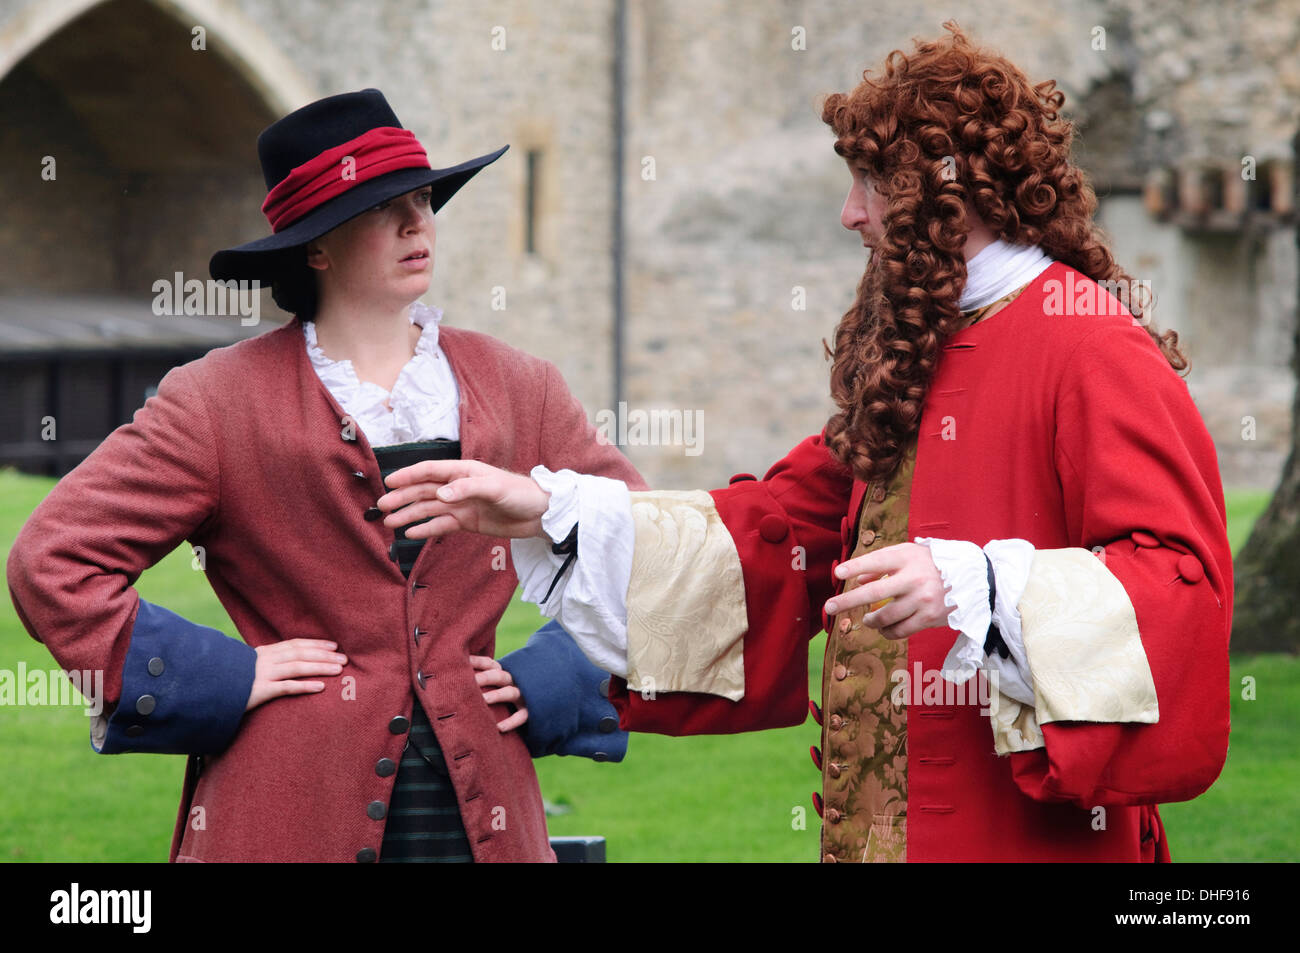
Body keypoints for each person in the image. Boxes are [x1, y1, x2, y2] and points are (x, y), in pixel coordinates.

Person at [373, 24, 1233, 862]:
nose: (849, 212)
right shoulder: (923, 347)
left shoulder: (1090, 345)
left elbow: (1181, 586)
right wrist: (552, 510)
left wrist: (983, 584)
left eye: (871, 181)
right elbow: (773, 533)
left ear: (952, 188)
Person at [6, 89, 642, 862]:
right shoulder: (217, 402)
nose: (418, 223)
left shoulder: (519, 386)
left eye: (422, 200)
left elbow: (645, 546)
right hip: (281, 812)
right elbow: (55, 560)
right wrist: (219, 675)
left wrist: (554, 675)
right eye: (384, 209)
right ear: (317, 248)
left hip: (489, 813)